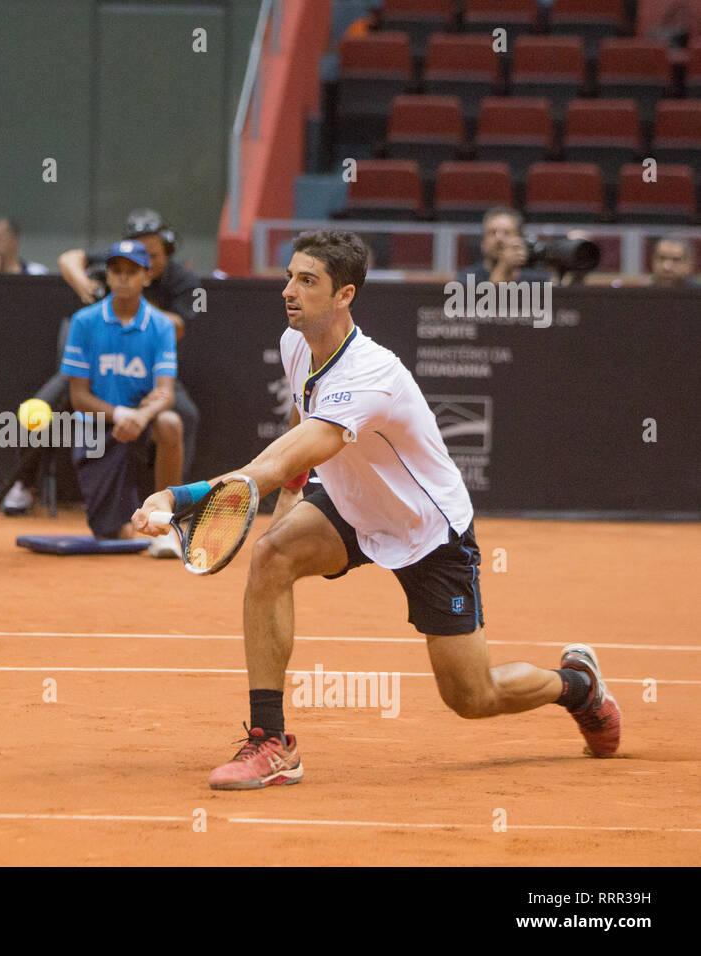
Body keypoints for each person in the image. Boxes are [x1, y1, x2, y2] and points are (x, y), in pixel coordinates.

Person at [134, 229, 621, 789]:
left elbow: (297, 449)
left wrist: (181, 497)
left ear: (344, 295)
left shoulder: (372, 374)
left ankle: (578, 687)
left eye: (307, 280)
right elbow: (298, 428)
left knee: (471, 696)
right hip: (351, 506)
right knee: (271, 558)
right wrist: (293, 490)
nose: (289, 290)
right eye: (290, 276)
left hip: (427, 530)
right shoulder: (296, 343)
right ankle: (271, 743)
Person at [1, 208, 201, 515]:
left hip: (144, 373)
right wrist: (87, 286)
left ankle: (172, 504)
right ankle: (26, 484)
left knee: (182, 416)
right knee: (40, 407)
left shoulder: (180, 280)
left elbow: (178, 327)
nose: (139, 262)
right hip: (98, 369)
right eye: (122, 267)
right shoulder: (96, 306)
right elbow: (69, 259)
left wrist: (131, 302)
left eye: (149, 257)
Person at [61, 240, 183, 557]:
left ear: (146, 276)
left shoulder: (161, 325)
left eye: (132, 271)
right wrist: (120, 414)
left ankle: (164, 526)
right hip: (99, 428)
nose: (124, 278)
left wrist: (140, 416)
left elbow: (166, 394)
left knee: (170, 423)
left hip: (143, 424)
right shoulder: (84, 322)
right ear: (108, 276)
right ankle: (128, 523)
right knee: (109, 536)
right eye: (116, 271)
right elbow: (79, 397)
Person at [455, 207, 551, 284]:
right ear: (483, 243)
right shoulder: (467, 278)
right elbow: (487, 305)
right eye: (492, 233)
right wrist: (503, 266)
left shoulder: (538, 280)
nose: (499, 238)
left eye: (507, 233)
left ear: (520, 240)